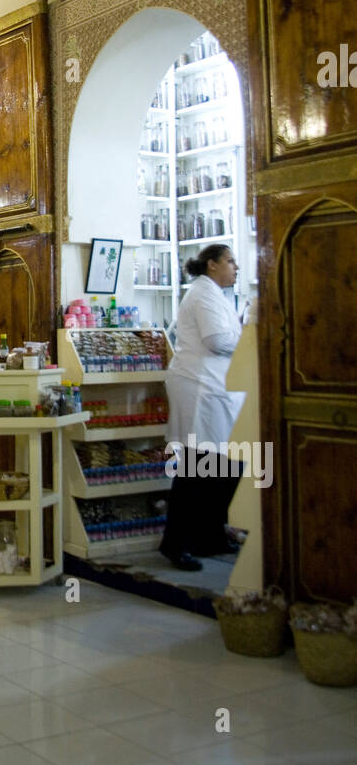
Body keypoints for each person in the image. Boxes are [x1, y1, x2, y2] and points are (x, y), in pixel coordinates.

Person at [160, 244, 246, 571]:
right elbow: (217, 340)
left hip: (214, 388)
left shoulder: (212, 293)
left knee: (223, 468)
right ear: (212, 265)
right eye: (230, 261)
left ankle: (209, 535)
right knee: (198, 468)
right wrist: (252, 340)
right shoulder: (203, 294)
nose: (235, 267)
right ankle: (175, 543)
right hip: (201, 388)